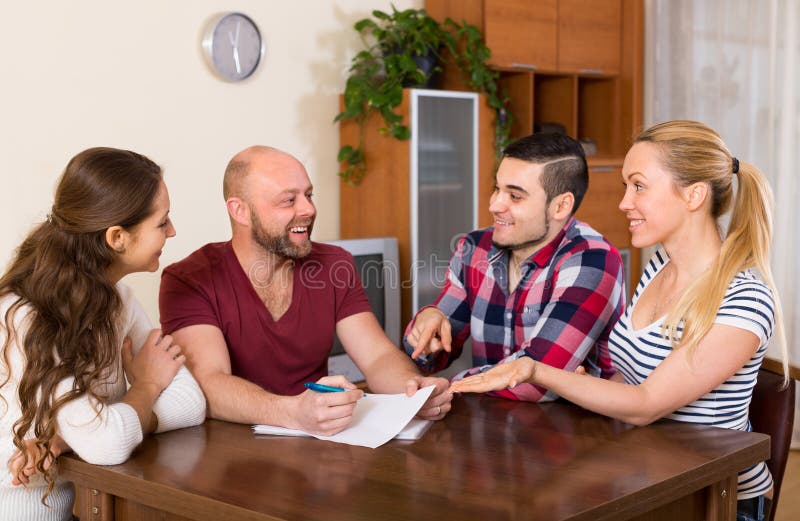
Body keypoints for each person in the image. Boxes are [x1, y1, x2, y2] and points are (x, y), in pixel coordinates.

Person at [450, 120, 788, 521]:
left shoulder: (744, 299)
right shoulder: (659, 267)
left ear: (693, 195)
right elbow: (631, 380)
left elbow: (646, 405)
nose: (624, 202)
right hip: (647, 474)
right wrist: (584, 379)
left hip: (714, 497)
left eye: (639, 186)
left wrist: (533, 370)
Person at [158, 145, 452, 436]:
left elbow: (376, 356)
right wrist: (293, 413)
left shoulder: (336, 264)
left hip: (318, 442)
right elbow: (209, 381)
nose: (308, 209)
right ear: (240, 211)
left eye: (308, 195)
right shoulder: (187, 279)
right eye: (289, 200)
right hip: (229, 453)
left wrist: (412, 391)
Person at [0, 148, 206, 521]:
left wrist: (80, 434)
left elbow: (192, 404)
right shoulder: (33, 316)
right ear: (117, 238)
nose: (173, 231)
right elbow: (107, 443)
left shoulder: (119, 300)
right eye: (163, 222)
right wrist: (144, 388)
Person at [405, 133, 626, 402]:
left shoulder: (593, 260)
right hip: (491, 425)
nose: (494, 204)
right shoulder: (475, 248)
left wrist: (451, 385)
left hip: (576, 433)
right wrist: (426, 330)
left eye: (515, 196)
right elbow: (429, 357)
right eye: (497, 189)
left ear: (560, 206)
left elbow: (538, 382)